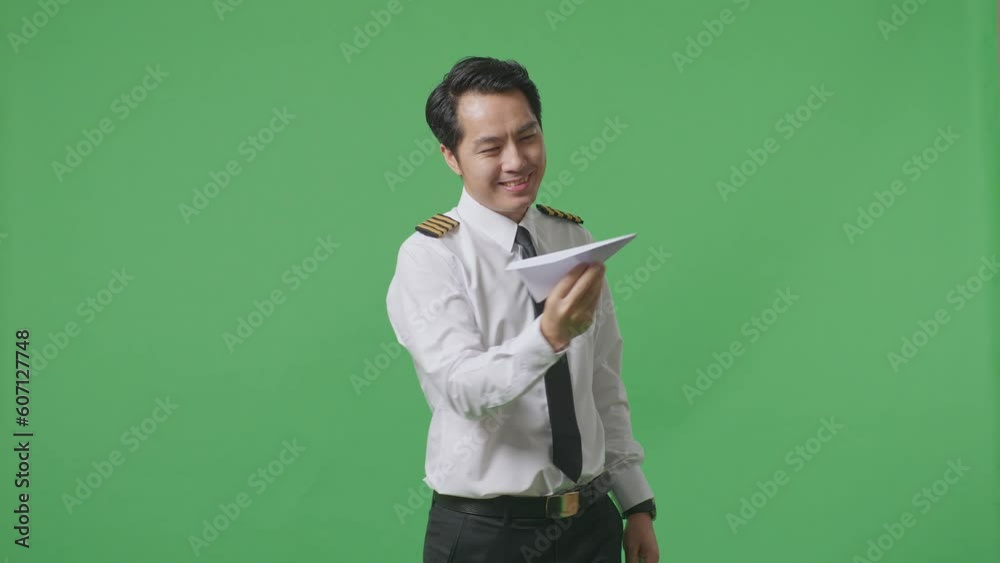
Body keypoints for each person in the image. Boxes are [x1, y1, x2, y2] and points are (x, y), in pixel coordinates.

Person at [385, 56, 659, 563]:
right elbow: (462, 390)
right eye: (491, 148)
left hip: (592, 524)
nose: (516, 161)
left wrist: (635, 502)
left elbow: (601, 379)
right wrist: (548, 336)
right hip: (487, 533)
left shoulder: (572, 237)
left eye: (528, 136)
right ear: (451, 156)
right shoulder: (430, 256)